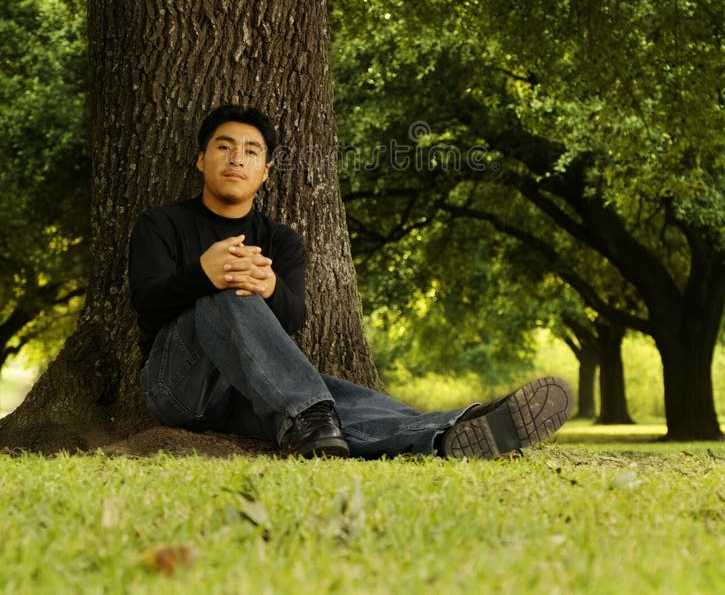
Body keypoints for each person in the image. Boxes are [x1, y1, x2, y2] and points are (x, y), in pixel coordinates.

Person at [129, 104, 573, 459]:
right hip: (177, 387)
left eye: (250, 150)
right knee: (227, 292)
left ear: (264, 171)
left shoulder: (280, 240)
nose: (236, 157)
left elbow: (292, 319)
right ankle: (309, 412)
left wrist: (269, 290)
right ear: (201, 159)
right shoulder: (161, 225)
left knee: (339, 402)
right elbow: (146, 304)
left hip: (246, 390)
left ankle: (451, 430)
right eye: (224, 147)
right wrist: (202, 274)